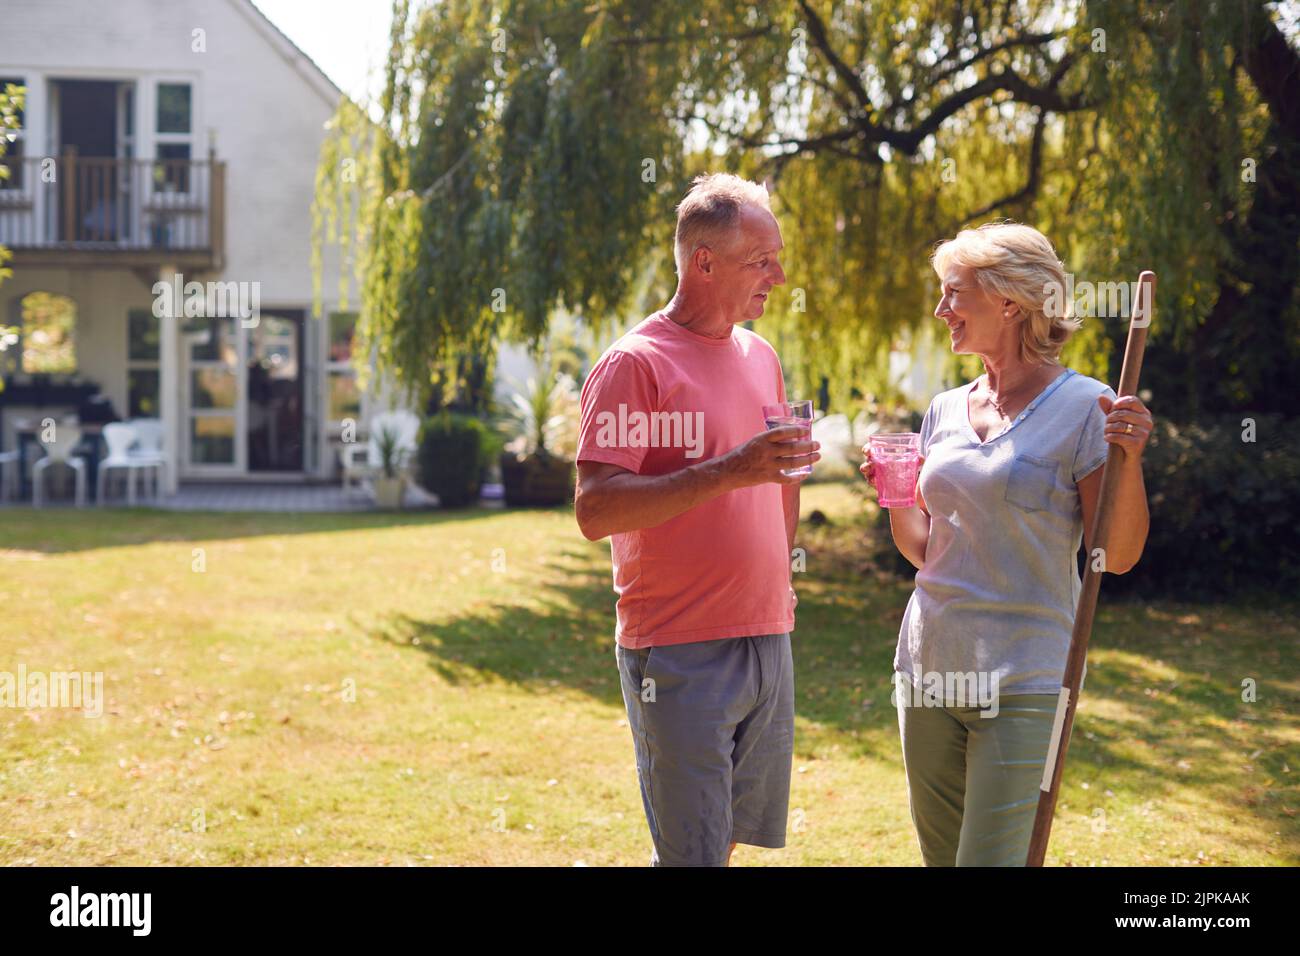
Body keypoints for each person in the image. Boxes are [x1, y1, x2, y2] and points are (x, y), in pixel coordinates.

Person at [861, 222, 1152, 866]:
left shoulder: (1087, 407)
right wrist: (896, 493)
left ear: (1009, 302)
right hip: (928, 668)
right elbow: (924, 549)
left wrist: (1127, 460)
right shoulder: (942, 410)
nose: (941, 311)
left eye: (953, 294)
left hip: (1024, 678)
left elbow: (1118, 555)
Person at [574, 172, 820, 866]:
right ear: (704, 262)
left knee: (722, 844)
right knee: (693, 855)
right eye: (761, 259)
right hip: (678, 645)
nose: (779, 273)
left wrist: (780, 574)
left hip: (767, 633)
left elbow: (778, 483)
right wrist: (730, 470)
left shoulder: (760, 356)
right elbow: (596, 509)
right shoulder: (635, 363)